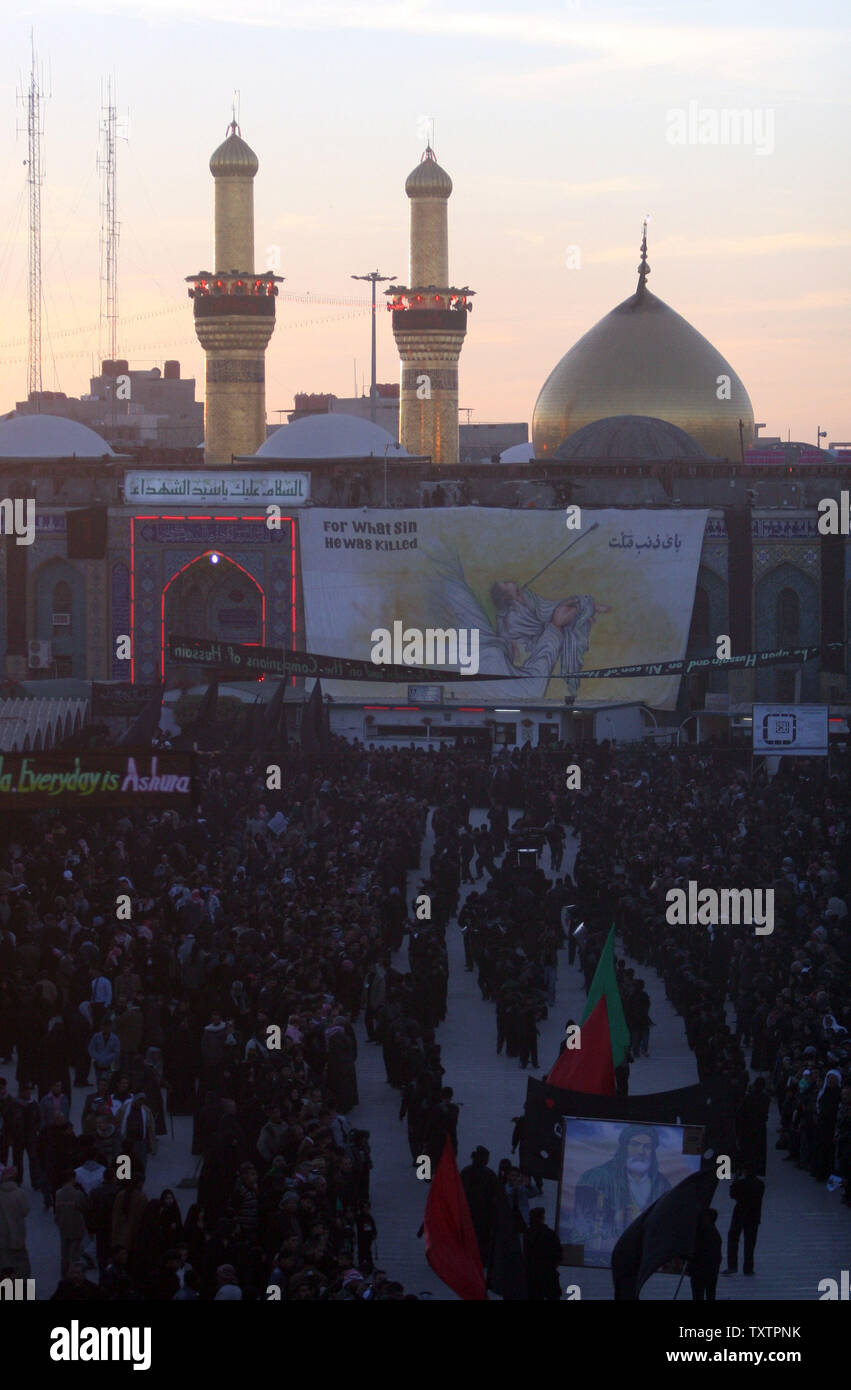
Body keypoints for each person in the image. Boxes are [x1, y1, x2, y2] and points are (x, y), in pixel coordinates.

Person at [723, 1165, 764, 1276]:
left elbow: (732, 1194)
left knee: (733, 1238)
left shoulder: (740, 1184)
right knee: (750, 1242)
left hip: (740, 1214)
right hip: (754, 1215)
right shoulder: (760, 1184)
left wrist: (735, 1179)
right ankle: (748, 1267)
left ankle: (732, 1265)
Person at [54, 1171, 89, 1277]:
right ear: (72, 1178)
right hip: (76, 1227)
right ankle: (74, 1276)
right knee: (75, 1256)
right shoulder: (78, 1194)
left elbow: (57, 1211)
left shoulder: (58, 1193)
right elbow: (85, 1208)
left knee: (64, 1255)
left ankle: (64, 1276)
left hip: (64, 1227)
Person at [0, 1164, 30, 1277]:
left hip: (2, 1239)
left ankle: (6, 1292)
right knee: (21, 1268)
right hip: (18, 1236)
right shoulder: (20, 1193)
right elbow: (25, 1211)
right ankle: (22, 1292)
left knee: (5, 1268)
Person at [526, 1206, 562, 1300]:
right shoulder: (550, 1234)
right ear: (542, 1218)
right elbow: (558, 1255)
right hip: (547, 1276)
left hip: (531, 1278)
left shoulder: (526, 1235)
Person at [686, 1207, 722, 1300]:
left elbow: (692, 1252)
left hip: (698, 1269)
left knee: (698, 1293)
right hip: (712, 1270)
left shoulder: (697, 1233)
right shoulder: (715, 1234)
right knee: (711, 1292)